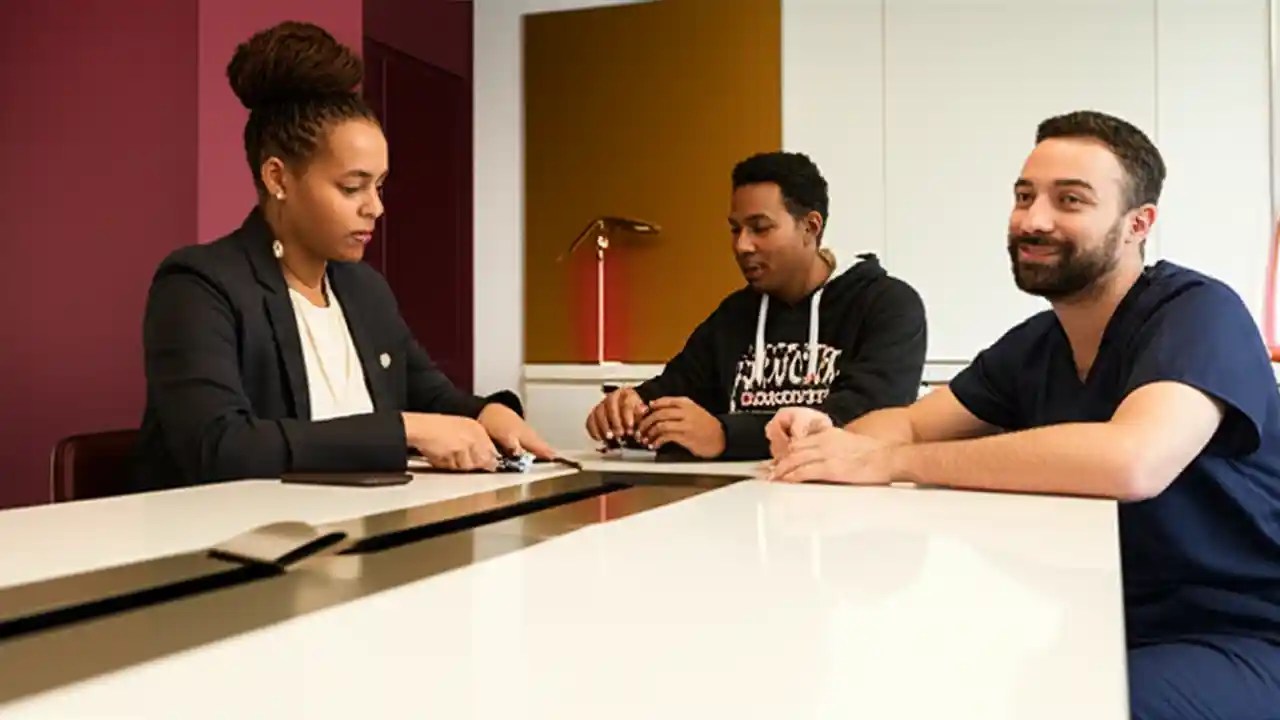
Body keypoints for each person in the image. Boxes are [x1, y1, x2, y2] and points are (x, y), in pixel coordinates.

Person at [766, 110, 1280, 718]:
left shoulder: (1199, 313)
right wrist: (831, 439)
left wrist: (891, 463)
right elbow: (905, 422)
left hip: (1245, 631)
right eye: (1024, 195)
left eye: (1070, 200)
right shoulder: (1035, 345)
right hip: (1107, 625)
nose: (1033, 219)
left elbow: (1132, 461)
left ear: (1138, 223)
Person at [132, 21, 552, 492]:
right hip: (229, 548)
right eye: (352, 187)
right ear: (278, 178)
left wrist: (485, 412)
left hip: (359, 535)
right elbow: (220, 447)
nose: (375, 207)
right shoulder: (198, 285)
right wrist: (405, 429)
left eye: (379, 185)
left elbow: (429, 393)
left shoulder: (364, 289)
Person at [585, 151, 926, 461]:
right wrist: (633, 409)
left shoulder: (888, 305)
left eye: (760, 228)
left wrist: (725, 436)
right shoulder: (735, 315)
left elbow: (867, 419)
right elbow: (678, 385)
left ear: (810, 227)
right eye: (735, 230)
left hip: (841, 508)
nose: (742, 245)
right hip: (735, 506)